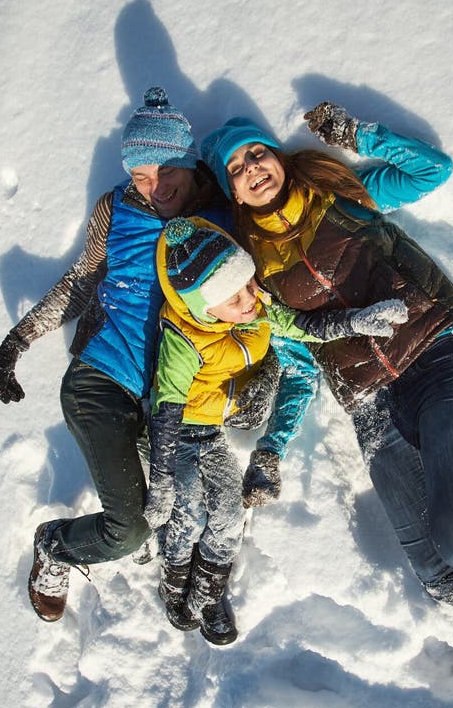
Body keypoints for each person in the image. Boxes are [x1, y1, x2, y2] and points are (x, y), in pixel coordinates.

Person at [200, 102, 453, 633]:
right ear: (233, 192)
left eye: (257, 153)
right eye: (236, 169)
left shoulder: (344, 198)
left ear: (279, 157)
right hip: (368, 400)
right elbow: (300, 364)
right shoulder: (256, 267)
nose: (251, 168)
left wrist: (358, 133)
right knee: (431, 565)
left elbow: (431, 170)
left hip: (433, 357)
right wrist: (271, 447)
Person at [0, 87, 319, 624]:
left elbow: (254, 300)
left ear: (189, 162)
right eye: (141, 175)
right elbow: (80, 281)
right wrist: (18, 340)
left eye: (165, 171)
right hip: (102, 382)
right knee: (132, 529)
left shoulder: (224, 216)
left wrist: (261, 375)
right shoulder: (116, 208)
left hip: (173, 396)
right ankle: (56, 547)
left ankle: (201, 588)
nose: (154, 187)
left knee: (197, 504)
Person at [146, 215, 409, 645]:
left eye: (249, 284)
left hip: (212, 434)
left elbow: (301, 326)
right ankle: (175, 586)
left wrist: (354, 322)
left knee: (230, 515)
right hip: (178, 435)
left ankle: (209, 593)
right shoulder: (184, 336)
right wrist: (161, 484)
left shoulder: (254, 314)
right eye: (234, 298)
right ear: (202, 307)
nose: (251, 299)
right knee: (190, 515)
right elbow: (167, 407)